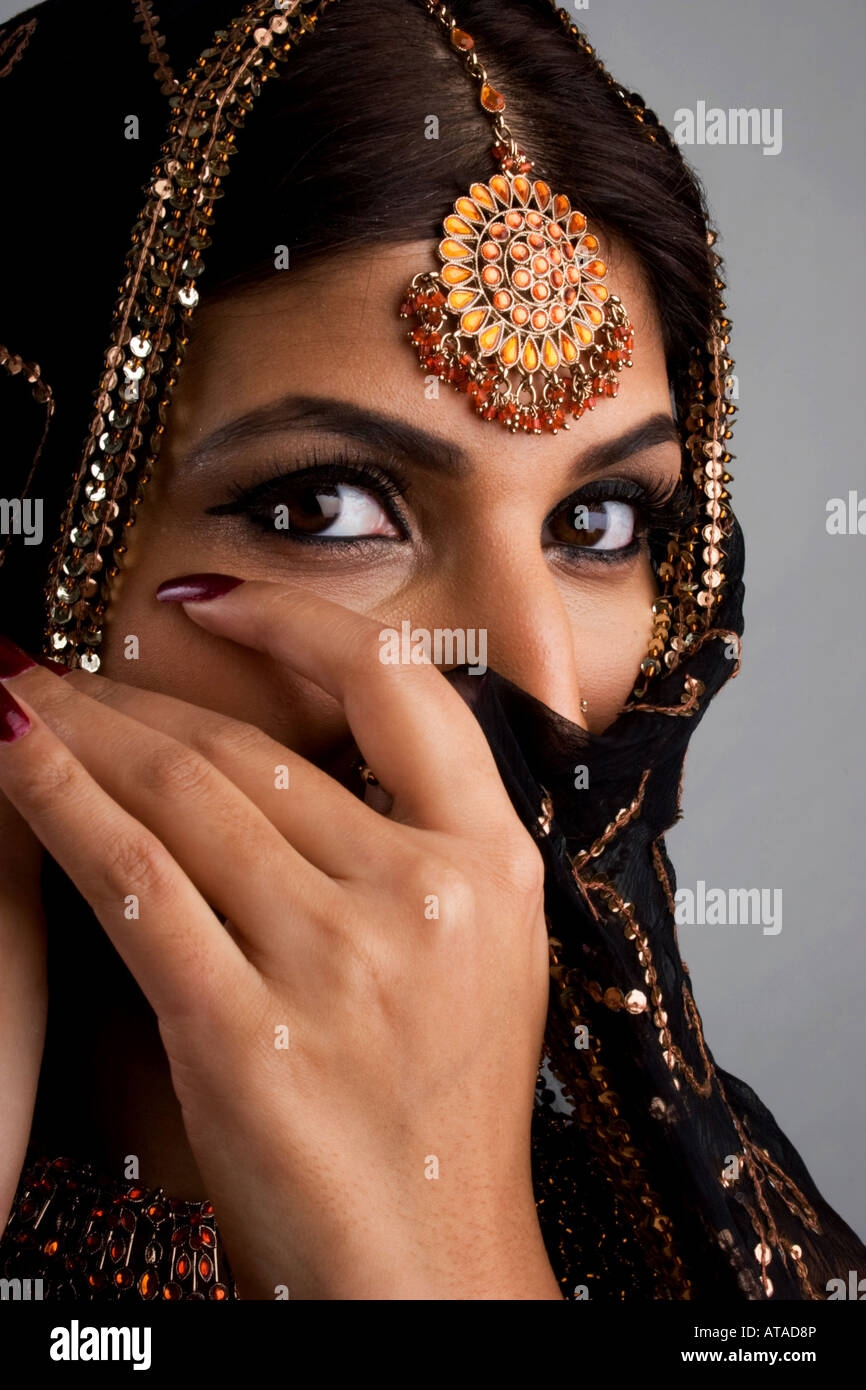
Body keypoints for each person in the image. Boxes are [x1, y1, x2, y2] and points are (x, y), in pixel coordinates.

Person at [0, 0, 861, 1301]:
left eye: (596, 519)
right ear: (30, 526)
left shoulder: (698, 1253)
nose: (528, 672)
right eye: (324, 506)